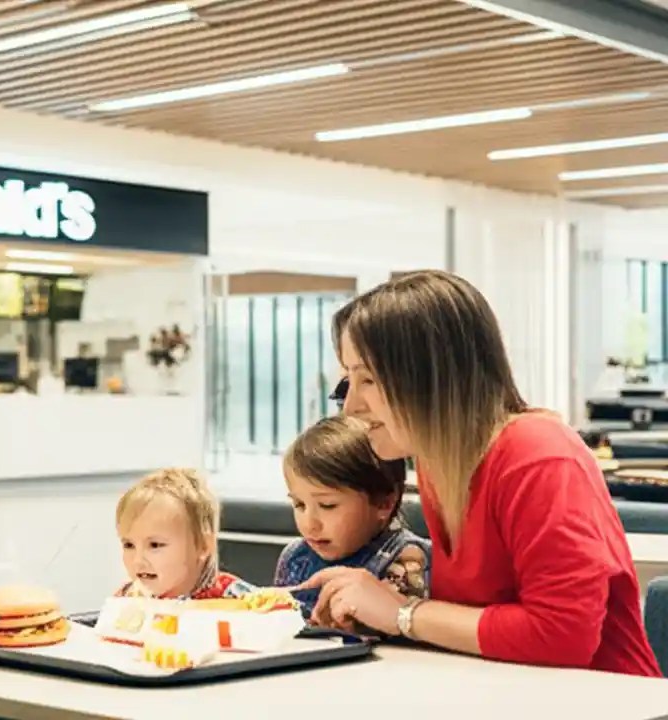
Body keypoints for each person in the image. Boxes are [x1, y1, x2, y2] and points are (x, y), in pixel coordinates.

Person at [299, 269, 660, 677]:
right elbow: (477, 620)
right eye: (350, 379)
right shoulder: (440, 462)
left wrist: (403, 614)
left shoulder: (538, 455)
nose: (351, 406)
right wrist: (379, 611)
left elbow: (563, 635)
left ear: (433, 377)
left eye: (369, 379)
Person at [275, 415, 429, 619]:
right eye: (299, 504)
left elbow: (401, 630)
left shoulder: (406, 559)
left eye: (327, 506)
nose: (309, 524)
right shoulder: (295, 558)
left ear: (384, 503)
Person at [114, 468, 256, 599]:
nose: (138, 560)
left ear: (203, 545)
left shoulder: (238, 599)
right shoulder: (126, 598)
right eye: (129, 545)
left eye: (155, 545)